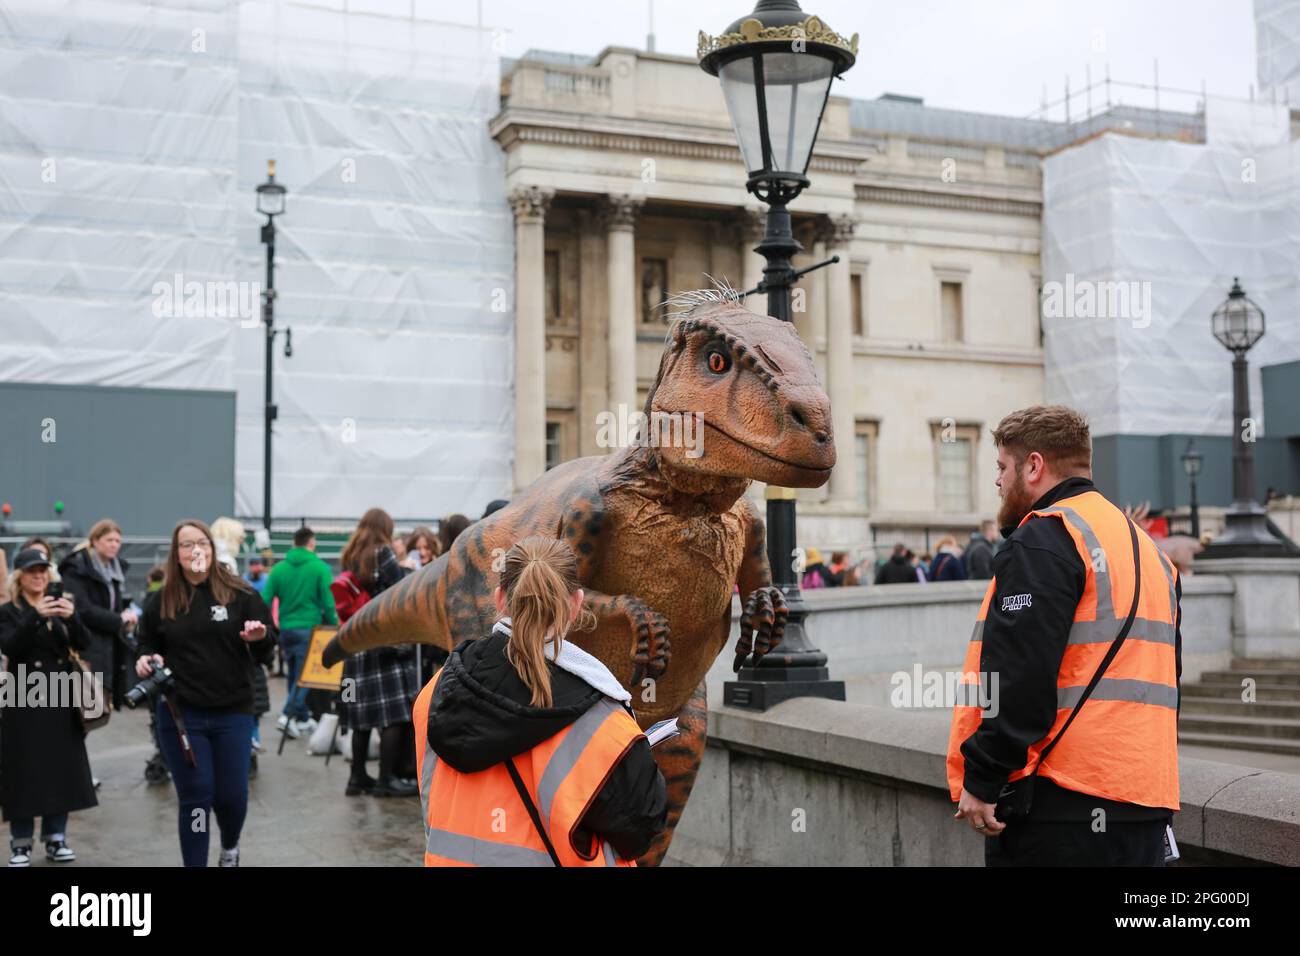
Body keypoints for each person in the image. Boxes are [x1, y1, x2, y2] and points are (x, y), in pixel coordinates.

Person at [948, 405, 1181, 867]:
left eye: (1001, 467)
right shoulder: (1149, 551)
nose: (998, 481)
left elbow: (1021, 676)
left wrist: (984, 776)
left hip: (1064, 801)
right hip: (1146, 797)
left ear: (1034, 466)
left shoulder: (1045, 537)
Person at [415, 536, 668, 866]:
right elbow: (642, 826)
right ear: (576, 604)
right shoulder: (603, 722)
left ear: (501, 599)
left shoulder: (433, 694)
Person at [135, 519, 276, 867]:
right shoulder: (160, 602)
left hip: (233, 712)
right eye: (186, 545)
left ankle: (230, 847)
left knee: (231, 797)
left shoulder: (241, 595)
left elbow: (267, 651)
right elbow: (144, 646)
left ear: (212, 549)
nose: (195, 550)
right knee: (196, 799)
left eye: (202, 542)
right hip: (182, 716)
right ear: (176, 554)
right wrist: (143, 660)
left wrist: (260, 640)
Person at [0, 549, 98, 866]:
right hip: (22, 698)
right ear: (19, 576)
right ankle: (21, 842)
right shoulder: (8, 611)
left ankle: (56, 837)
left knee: (60, 769)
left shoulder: (60, 607)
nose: (39, 576)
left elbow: (83, 643)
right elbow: (11, 646)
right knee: (23, 769)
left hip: (59, 697)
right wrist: (36, 616)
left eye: (43, 571)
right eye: (32, 571)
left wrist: (73, 617)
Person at [337, 508, 419, 798]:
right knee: (393, 714)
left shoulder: (351, 553)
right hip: (384, 643)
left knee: (361, 714)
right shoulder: (383, 552)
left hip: (356, 645)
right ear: (386, 527)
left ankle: (357, 777)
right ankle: (387, 778)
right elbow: (400, 590)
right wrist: (406, 566)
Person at [262, 526, 337, 737]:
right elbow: (329, 603)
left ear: (294, 543)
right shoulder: (320, 568)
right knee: (304, 676)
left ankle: (301, 717)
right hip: (310, 628)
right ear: (311, 544)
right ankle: (287, 715)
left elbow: (265, 601)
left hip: (286, 629)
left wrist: (270, 625)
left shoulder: (278, 569)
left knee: (293, 673)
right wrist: (335, 626)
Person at [58, 519, 134, 709]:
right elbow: (82, 608)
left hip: (109, 644)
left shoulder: (116, 570)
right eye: (109, 540)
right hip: (85, 642)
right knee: (84, 707)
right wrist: (118, 620)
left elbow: (112, 605)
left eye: (118, 541)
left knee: (100, 707)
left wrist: (125, 616)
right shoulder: (76, 568)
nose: (114, 545)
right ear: (95, 540)